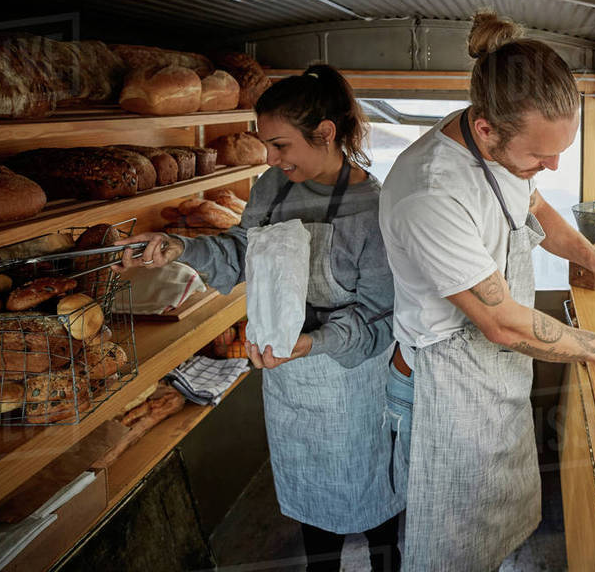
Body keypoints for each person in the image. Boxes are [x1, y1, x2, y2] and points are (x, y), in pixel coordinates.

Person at [379, 11, 595, 570]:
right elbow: (500, 322)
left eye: (561, 151)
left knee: (491, 533)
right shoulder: (432, 192)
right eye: (539, 156)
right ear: (484, 129)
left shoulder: (502, 146)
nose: (552, 166)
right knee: (448, 549)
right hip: (442, 388)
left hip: (489, 376)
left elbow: (532, 204)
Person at [116, 65, 402, 572]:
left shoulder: (373, 208)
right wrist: (178, 246)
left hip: (349, 382)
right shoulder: (273, 186)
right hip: (286, 370)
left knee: (373, 503)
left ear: (326, 133)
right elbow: (241, 252)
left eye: (280, 146)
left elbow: (379, 319)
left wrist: (313, 342)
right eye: (265, 146)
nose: (270, 158)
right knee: (314, 511)